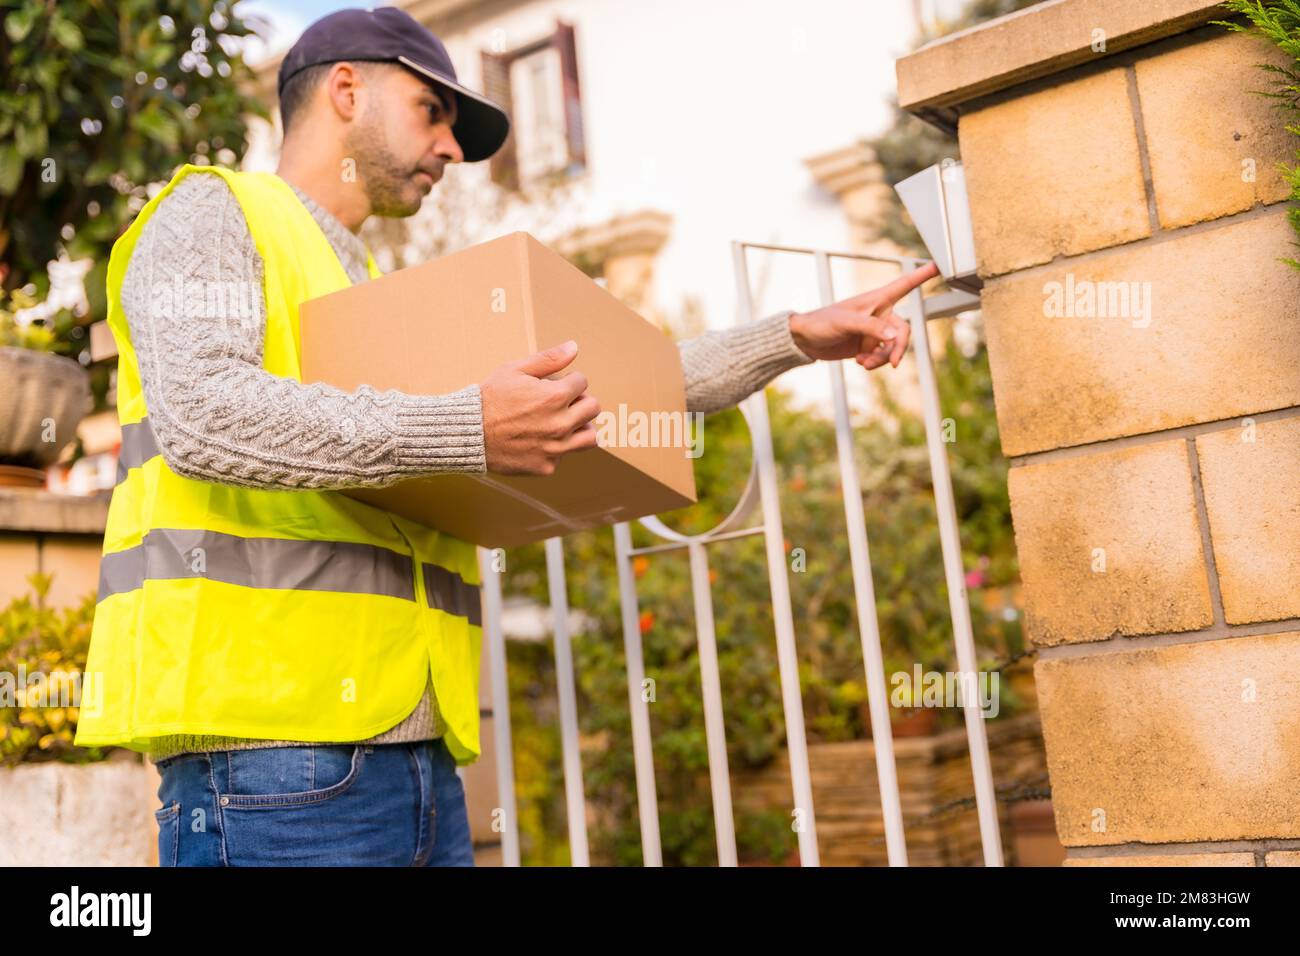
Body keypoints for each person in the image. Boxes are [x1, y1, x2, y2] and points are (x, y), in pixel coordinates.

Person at [73, 6, 937, 867]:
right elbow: (206, 413)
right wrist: (468, 425)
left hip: (416, 765)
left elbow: (604, 384)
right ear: (346, 90)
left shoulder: (369, 291)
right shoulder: (212, 213)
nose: (452, 149)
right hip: (266, 768)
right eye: (432, 111)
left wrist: (787, 336)